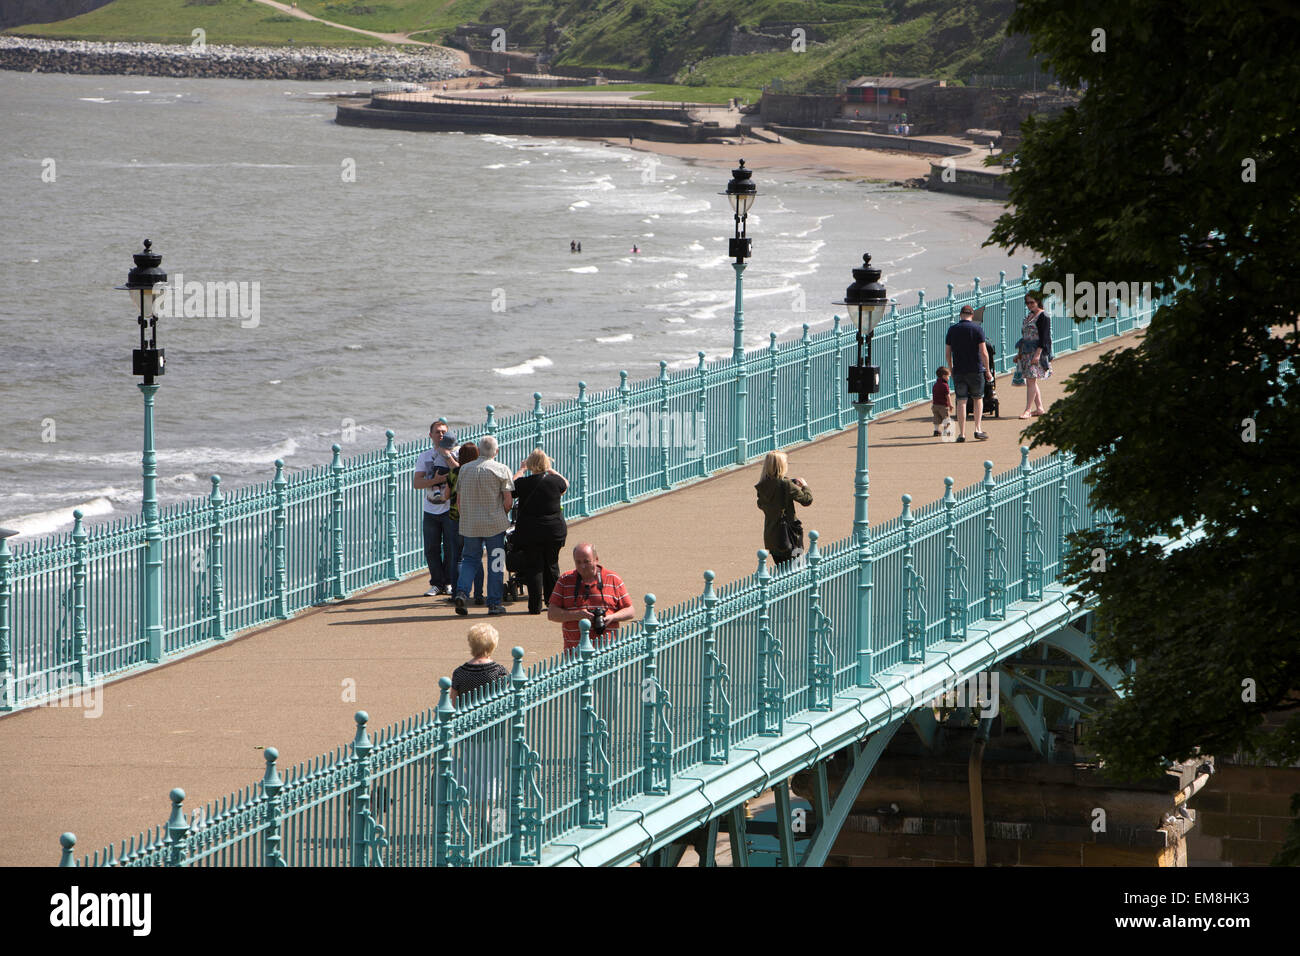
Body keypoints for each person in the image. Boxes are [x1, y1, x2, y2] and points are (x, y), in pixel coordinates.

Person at [454, 435, 514, 616]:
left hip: (470, 523)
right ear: (496, 451)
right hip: (494, 523)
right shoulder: (501, 469)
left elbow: (459, 500)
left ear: (479, 451)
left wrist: (466, 517)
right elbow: (508, 501)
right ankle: (494, 603)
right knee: (495, 561)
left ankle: (462, 592)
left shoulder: (464, 469)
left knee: (470, 559)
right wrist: (503, 514)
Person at [548, 543, 634, 652]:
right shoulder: (565, 580)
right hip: (575, 653)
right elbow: (552, 614)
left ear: (596, 559)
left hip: (607, 652)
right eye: (578, 562)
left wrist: (611, 617)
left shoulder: (613, 579)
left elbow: (630, 611)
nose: (582, 566)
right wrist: (577, 615)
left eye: (586, 561)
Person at [512, 449, 569, 615]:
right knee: (551, 565)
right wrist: (550, 470)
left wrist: (521, 470)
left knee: (534, 567)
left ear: (530, 465)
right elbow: (565, 484)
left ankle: (534, 605)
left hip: (531, 532)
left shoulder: (524, 483)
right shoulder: (554, 482)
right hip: (554, 530)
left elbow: (510, 487)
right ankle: (553, 602)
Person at [413, 420, 457, 595]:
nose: (440, 435)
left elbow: (461, 472)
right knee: (431, 548)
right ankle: (437, 583)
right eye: (437, 432)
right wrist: (436, 481)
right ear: (430, 435)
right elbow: (417, 483)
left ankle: (448, 582)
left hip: (449, 509)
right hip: (430, 509)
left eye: (443, 432)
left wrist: (447, 455)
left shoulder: (457, 452)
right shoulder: (424, 456)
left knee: (450, 548)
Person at [944, 305, 994, 442]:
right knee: (978, 398)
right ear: (972, 315)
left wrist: (951, 368)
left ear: (960, 315)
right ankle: (977, 429)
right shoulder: (977, 329)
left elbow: (948, 354)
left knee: (961, 401)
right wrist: (988, 371)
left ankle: (962, 433)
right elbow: (984, 353)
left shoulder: (952, 330)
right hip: (976, 369)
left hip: (959, 370)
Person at [754, 451, 812, 565]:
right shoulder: (786, 485)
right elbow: (807, 500)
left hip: (772, 537)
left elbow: (761, 504)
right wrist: (805, 486)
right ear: (781, 466)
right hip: (791, 536)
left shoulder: (763, 485)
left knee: (782, 571)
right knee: (798, 565)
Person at [447, 440, 484, 605]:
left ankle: (456, 592)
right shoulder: (479, 471)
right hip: (475, 518)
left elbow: (447, 495)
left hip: (456, 520)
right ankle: (478, 594)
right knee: (476, 557)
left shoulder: (455, 472)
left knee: (457, 557)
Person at [449, 623, 509, 704]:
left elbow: (453, 702)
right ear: (494, 644)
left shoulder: (459, 673)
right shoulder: (499, 671)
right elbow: (506, 701)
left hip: (467, 715)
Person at [1017, 293, 1053, 418]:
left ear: (1038, 301)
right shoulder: (1029, 316)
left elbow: (1044, 337)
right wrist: (1019, 353)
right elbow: (1024, 337)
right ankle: (1039, 408)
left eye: (1032, 302)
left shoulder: (1043, 316)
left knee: (1031, 380)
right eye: (1027, 303)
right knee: (1031, 380)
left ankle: (1027, 410)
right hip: (1027, 352)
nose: (1029, 305)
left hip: (1036, 352)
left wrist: (1037, 355)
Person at [931, 366, 954, 437]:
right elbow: (947, 396)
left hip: (935, 405)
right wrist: (950, 405)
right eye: (948, 376)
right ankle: (946, 431)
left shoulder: (935, 385)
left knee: (936, 419)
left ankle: (936, 431)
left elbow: (934, 395)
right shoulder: (945, 385)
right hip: (943, 406)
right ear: (944, 376)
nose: (949, 378)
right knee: (946, 419)